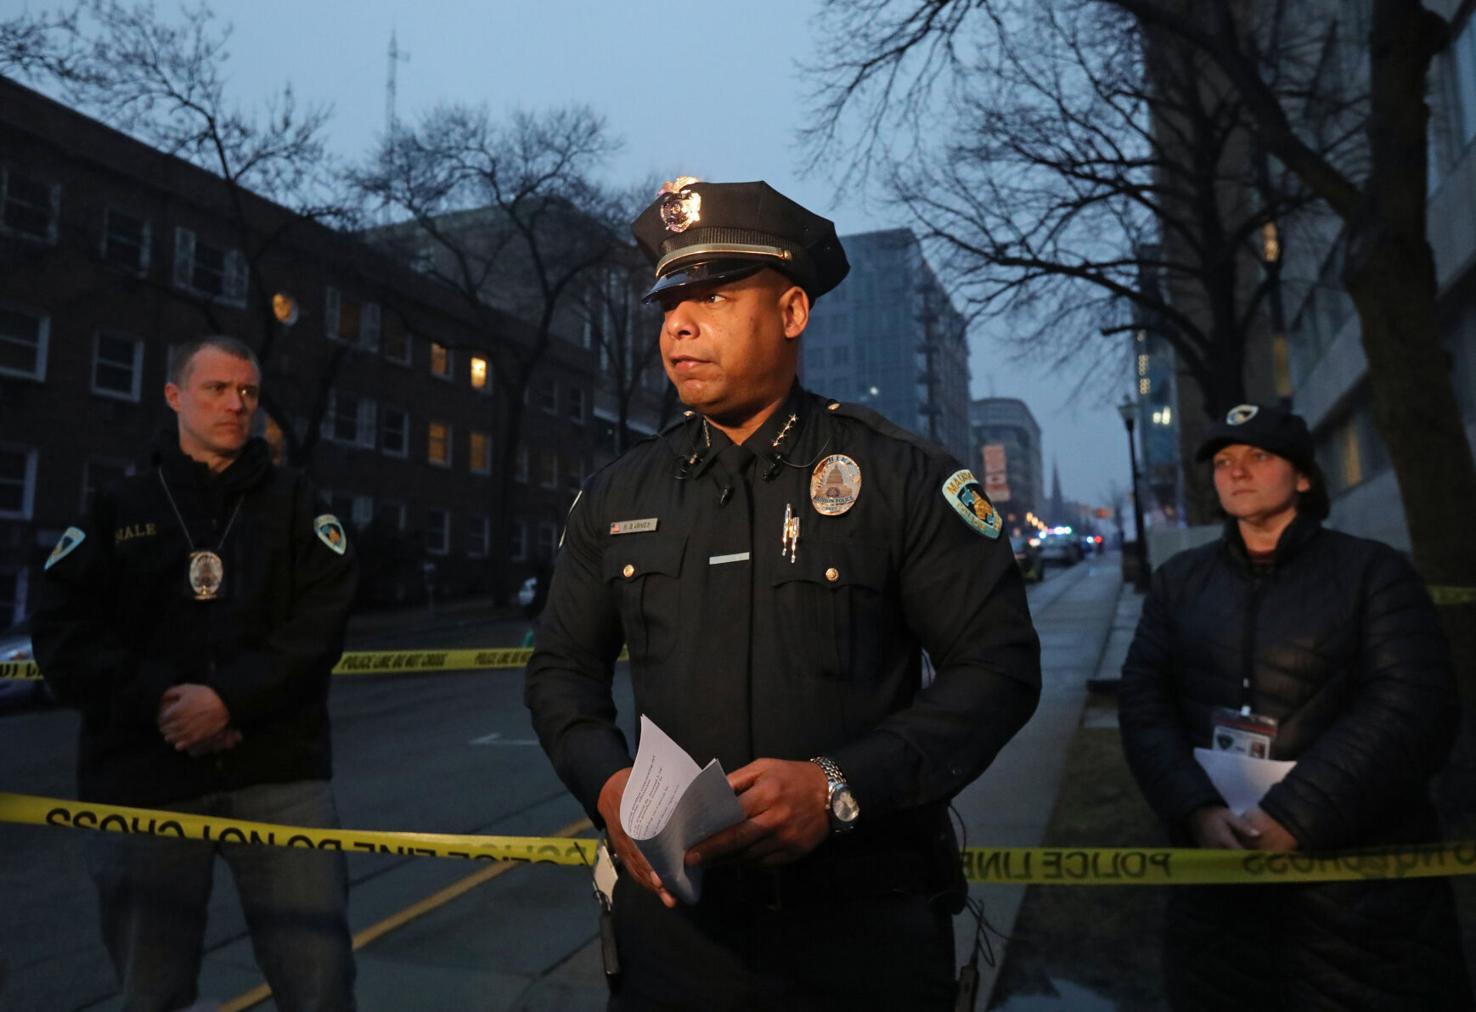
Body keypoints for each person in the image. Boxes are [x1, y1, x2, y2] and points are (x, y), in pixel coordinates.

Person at [525, 178, 1041, 1009]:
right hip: (677, 938)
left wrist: (841, 786)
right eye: (669, 306)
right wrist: (607, 786)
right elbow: (559, 671)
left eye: (716, 298)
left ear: (793, 312)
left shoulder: (902, 477)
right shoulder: (618, 495)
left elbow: (999, 669)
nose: (679, 325)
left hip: (864, 930)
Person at [32, 336, 359, 1011]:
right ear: (175, 396)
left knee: (319, 982)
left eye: (248, 392)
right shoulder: (117, 507)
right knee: (151, 990)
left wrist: (230, 702)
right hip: (145, 779)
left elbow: (321, 622)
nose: (236, 404)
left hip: (278, 772)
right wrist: (164, 705)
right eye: (216, 389)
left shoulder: (296, 502)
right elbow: (64, 633)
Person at [1118, 402, 1472, 1010]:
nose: (1238, 472)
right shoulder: (1180, 581)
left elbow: (1413, 705)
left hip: (1361, 904)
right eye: (1225, 461)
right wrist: (1195, 808)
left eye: (1259, 456)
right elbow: (1145, 702)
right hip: (1219, 899)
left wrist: (1298, 815)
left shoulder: (1374, 574)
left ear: (1304, 477)